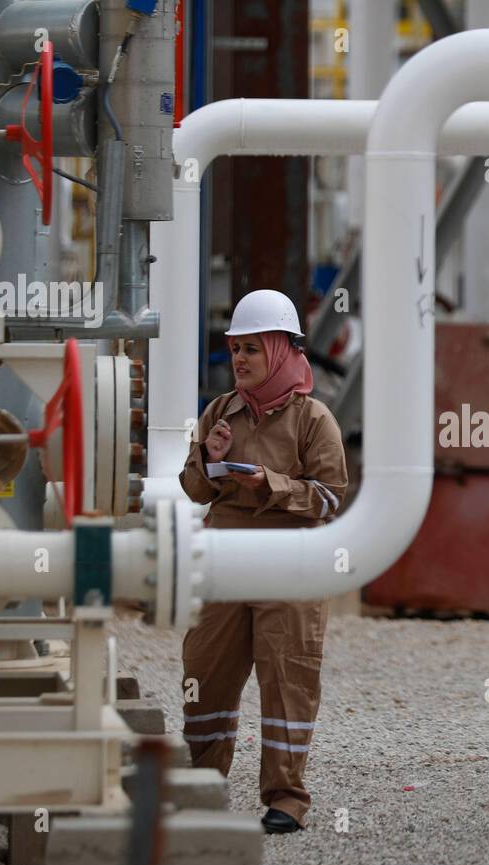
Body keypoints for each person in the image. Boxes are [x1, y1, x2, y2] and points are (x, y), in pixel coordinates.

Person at [178, 289, 348, 834]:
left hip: (290, 568)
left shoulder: (313, 419)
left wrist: (266, 483)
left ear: (279, 350)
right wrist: (212, 459)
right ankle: (203, 785)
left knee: (287, 681)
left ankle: (286, 799)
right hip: (225, 563)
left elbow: (328, 497)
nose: (241, 360)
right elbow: (193, 489)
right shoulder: (217, 412)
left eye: (253, 348)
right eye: (235, 349)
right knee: (205, 674)